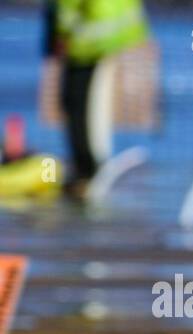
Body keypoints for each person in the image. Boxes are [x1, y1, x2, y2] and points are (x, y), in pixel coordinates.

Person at [41, 0, 150, 197]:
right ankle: (89, 171)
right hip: (108, 36)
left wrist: (61, 33)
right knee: (89, 107)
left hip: (89, 43)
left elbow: (68, 8)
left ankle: (88, 173)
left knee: (81, 108)